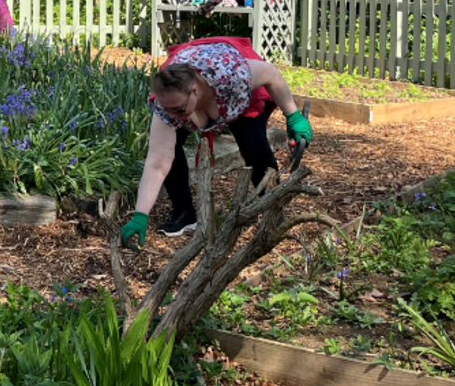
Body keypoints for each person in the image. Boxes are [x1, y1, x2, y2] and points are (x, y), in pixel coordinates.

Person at [119, 36, 313, 246]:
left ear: (194, 90)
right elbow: (157, 164)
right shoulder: (168, 107)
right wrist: (140, 215)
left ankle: (273, 211)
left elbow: (271, 74)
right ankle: (184, 213)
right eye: (168, 110)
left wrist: (292, 115)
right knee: (170, 149)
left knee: (253, 145)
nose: (173, 116)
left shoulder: (229, 75)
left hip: (231, 90)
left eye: (179, 109)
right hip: (192, 76)